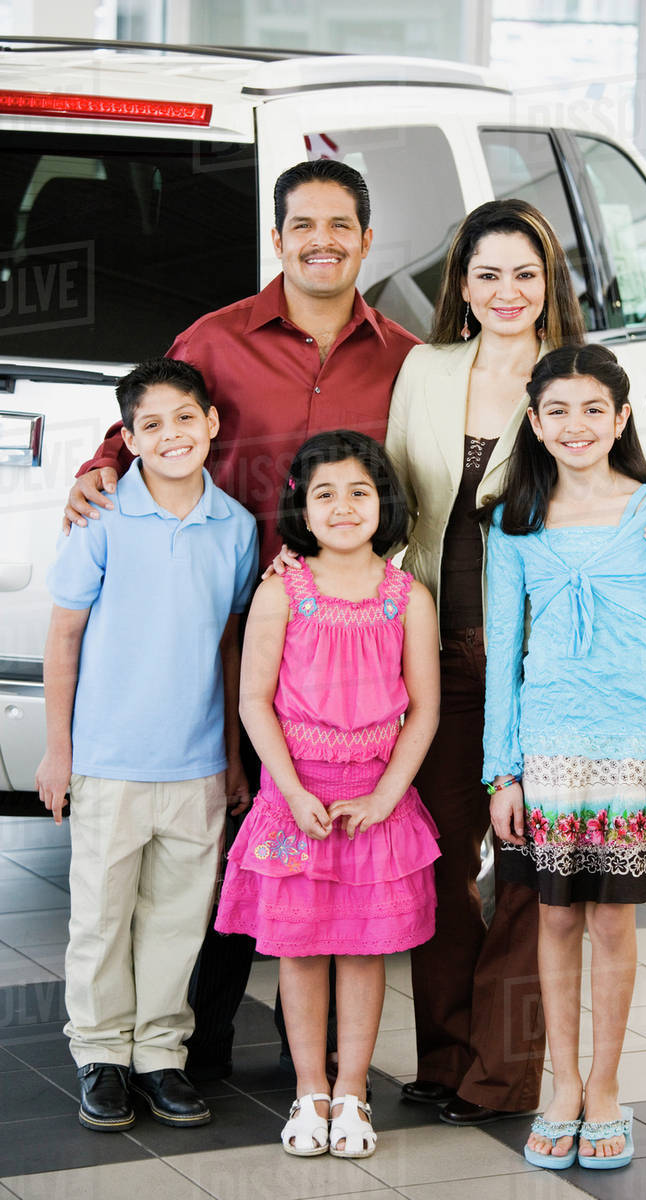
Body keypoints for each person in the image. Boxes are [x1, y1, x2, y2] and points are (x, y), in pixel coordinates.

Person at [62, 158, 420, 1081]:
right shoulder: (216, 340)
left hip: (344, 649)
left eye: (339, 226)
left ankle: (327, 1066)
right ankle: (189, 1050)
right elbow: (143, 424)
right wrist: (96, 470)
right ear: (278, 238)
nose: (321, 242)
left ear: (366, 239)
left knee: (331, 842)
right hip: (226, 636)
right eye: (303, 225)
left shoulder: (405, 358)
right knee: (229, 842)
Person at [384, 199, 646, 1125]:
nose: (507, 291)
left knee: (536, 883)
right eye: (487, 273)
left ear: (549, 283)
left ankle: (507, 1071)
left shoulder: (574, 378)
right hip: (434, 649)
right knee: (441, 864)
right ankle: (447, 1055)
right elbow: (387, 496)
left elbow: (639, 510)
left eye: (525, 274)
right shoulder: (425, 369)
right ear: (461, 284)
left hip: (544, 670)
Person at [482, 343, 646, 1170]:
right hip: (549, 748)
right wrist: (501, 770)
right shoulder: (514, 521)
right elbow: (504, 655)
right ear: (535, 424)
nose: (576, 426)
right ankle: (562, 1085)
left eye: (593, 410)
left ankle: (605, 1087)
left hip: (631, 748)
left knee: (612, 917)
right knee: (554, 915)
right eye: (558, 412)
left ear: (622, 417)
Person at [34, 358, 258, 1132]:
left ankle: (161, 1056)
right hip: (109, 761)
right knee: (102, 917)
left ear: (212, 424)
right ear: (127, 439)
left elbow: (229, 646)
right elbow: (64, 636)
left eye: (185, 418)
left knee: (177, 919)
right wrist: (58, 752)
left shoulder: (237, 527)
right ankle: (101, 1055)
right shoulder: (100, 519)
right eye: (151, 425)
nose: (172, 435)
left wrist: (232, 757)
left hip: (197, 765)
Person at [214, 431, 440, 1158]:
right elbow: (254, 701)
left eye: (359, 492)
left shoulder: (408, 598)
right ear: (301, 509)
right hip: (297, 801)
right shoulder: (281, 592)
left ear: (384, 503)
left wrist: (386, 797)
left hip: (375, 804)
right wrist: (288, 788)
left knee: (366, 950)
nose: (343, 507)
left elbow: (425, 711)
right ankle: (309, 1089)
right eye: (325, 494)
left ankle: (353, 1091)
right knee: (302, 951)